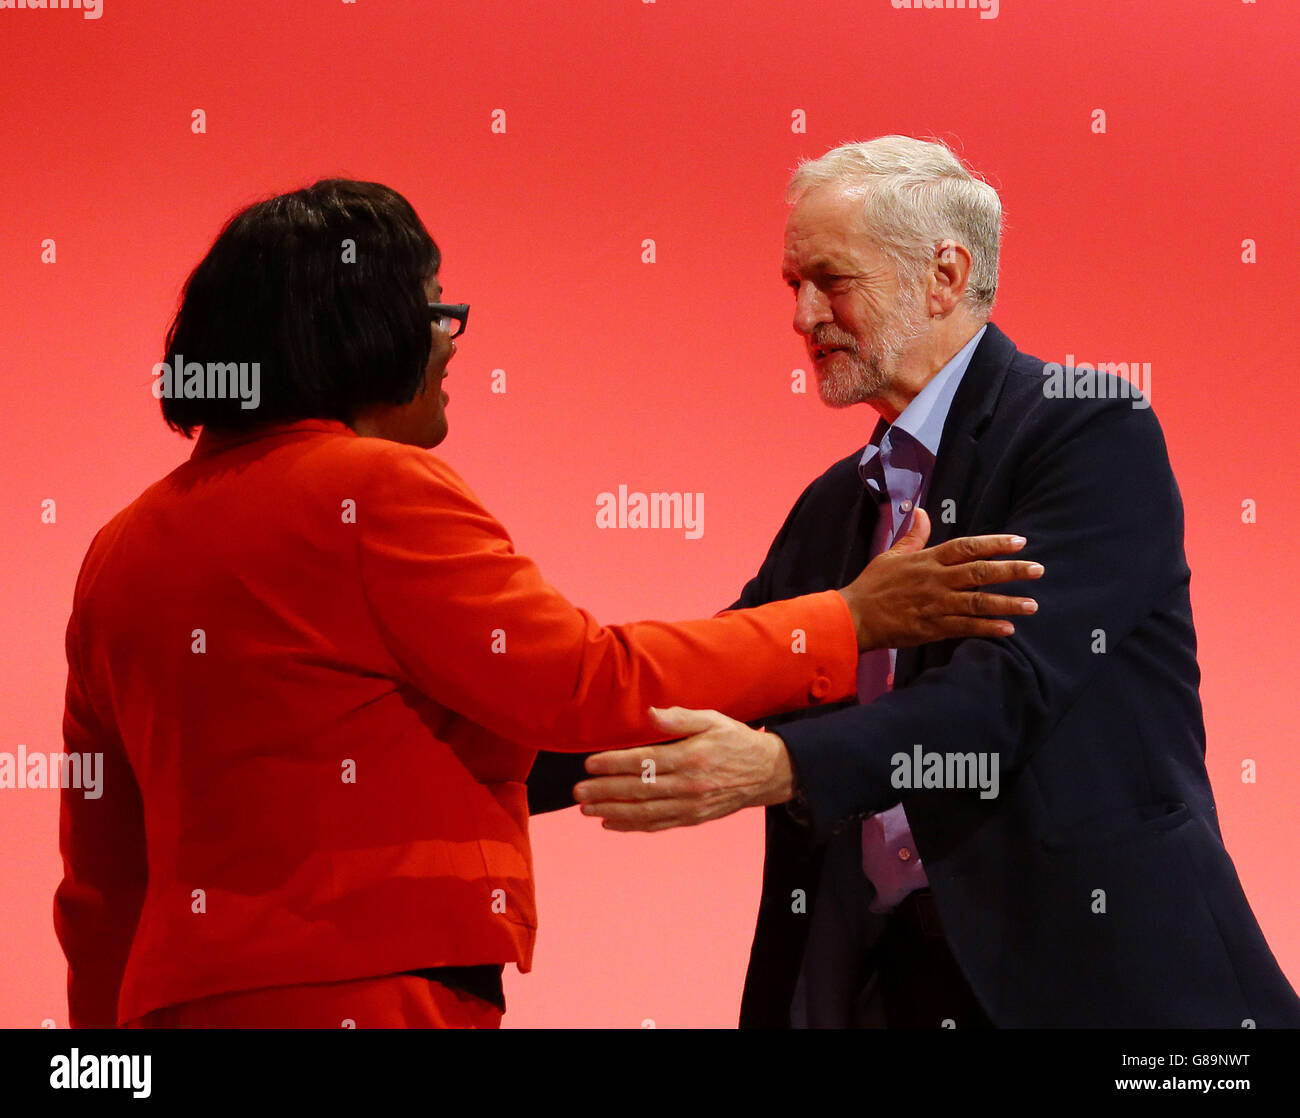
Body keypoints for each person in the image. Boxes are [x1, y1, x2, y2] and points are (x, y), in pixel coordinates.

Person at [52, 178, 1041, 1030]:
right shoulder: (374, 491)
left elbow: (98, 876)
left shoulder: (120, 550)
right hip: (371, 992)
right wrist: (850, 619)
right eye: (436, 307)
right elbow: (584, 682)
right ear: (362, 331)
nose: (452, 337)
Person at [572, 136, 1300, 1028]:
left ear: (944, 276)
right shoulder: (837, 504)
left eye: (830, 281)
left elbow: (1005, 696)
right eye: (791, 285)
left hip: (1094, 979)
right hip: (884, 982)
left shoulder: (1085, 430)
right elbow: (732, 671)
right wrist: (480, 753)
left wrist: (783, 766)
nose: (802, 317)